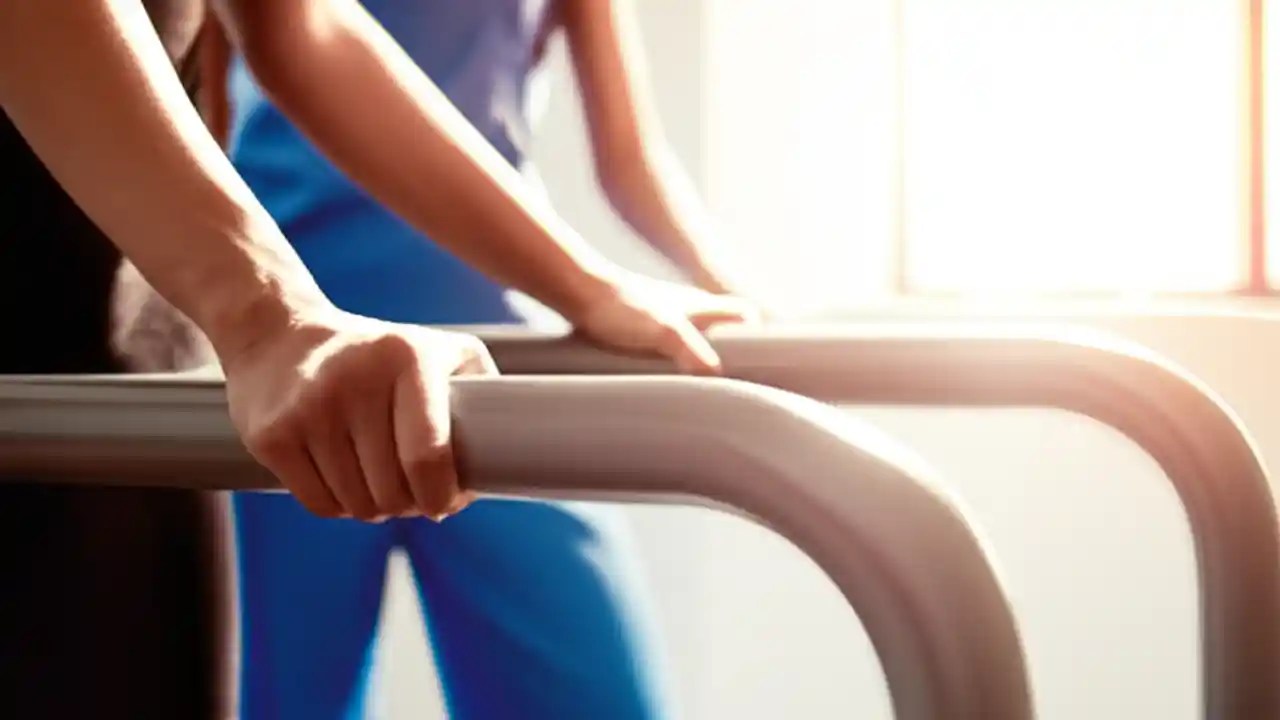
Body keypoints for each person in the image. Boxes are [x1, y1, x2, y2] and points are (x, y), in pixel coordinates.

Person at [0, 1, 751, 716]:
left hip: (406, 348)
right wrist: (263, 316)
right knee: (288, 699)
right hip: (267, 345)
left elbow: (302, 28)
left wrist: (598, 287)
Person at [219, 1, 745, 718]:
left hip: (491, 354)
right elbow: (216, 98)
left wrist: (733, 299)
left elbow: (630, 157)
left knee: (594, 698)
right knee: (274, 701)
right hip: (297, 351)